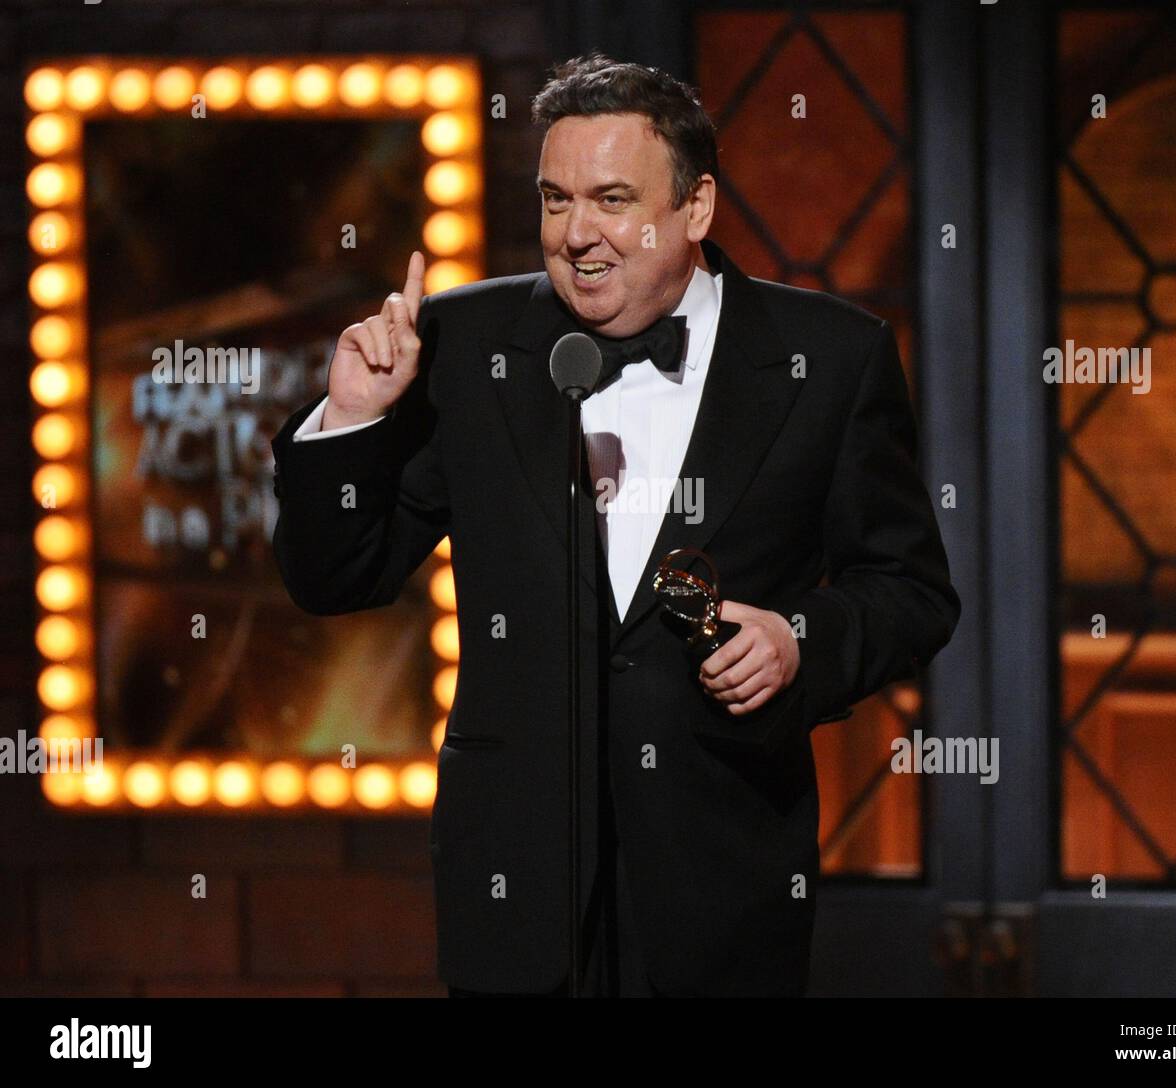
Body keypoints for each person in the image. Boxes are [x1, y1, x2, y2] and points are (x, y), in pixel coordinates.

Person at [271, 52, 960, 997]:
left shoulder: (829, 359)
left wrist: (800, 641)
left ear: (697, 207)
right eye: (556, 201)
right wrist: (356, 419)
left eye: (611, 200)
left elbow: (913, 594)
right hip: (515, 889)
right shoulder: (468, 344)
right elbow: (336, 576)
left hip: (718, 888)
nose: (577, 235)